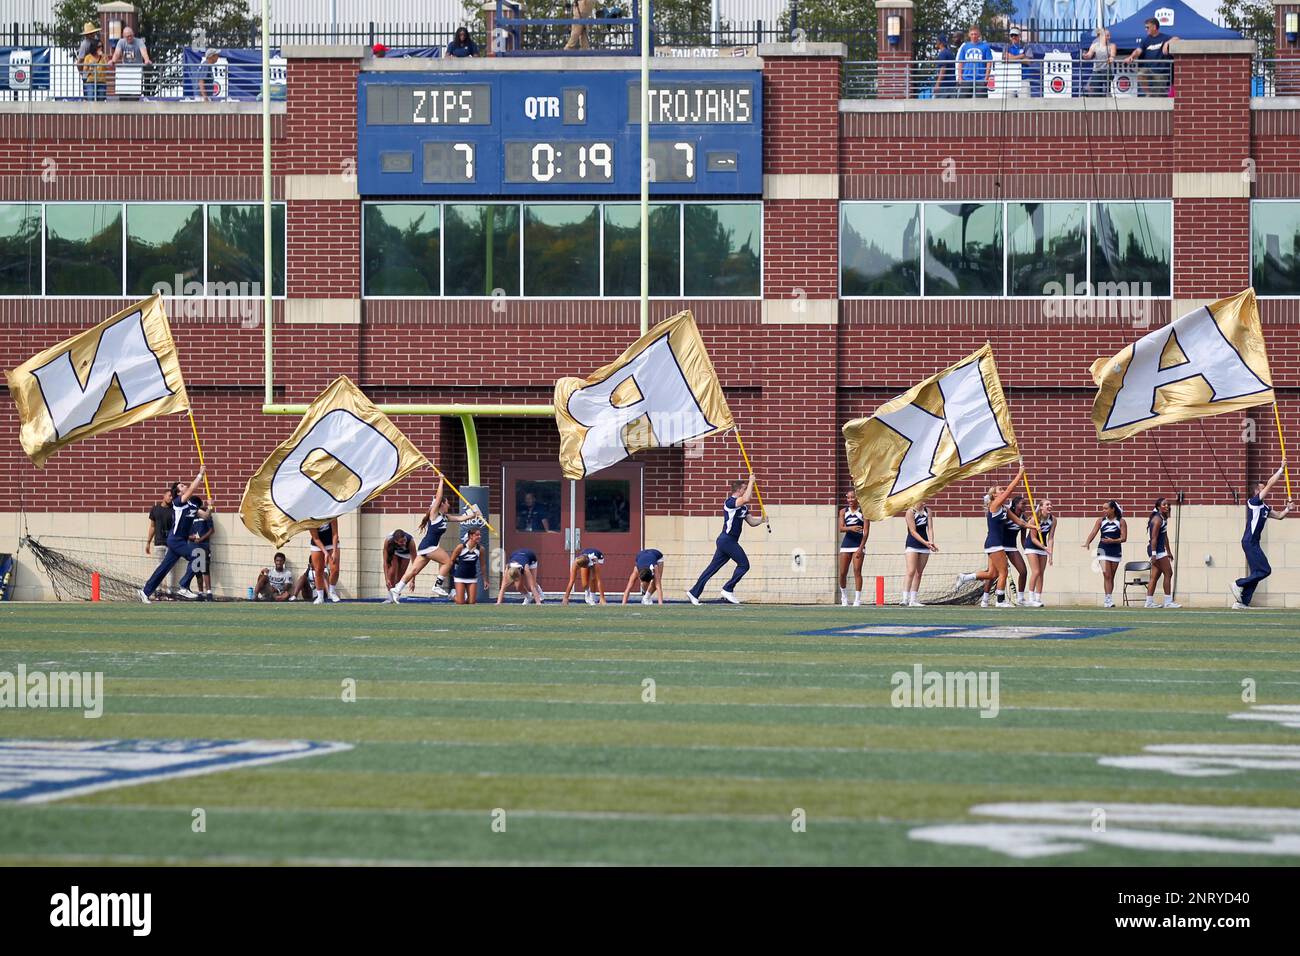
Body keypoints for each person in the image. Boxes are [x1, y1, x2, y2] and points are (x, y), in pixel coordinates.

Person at [389, 478, 480, 602]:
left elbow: (459, 519)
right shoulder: (434, 514)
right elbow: (438, 496)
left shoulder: (444, 517)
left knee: (414, 570)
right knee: (448, 562)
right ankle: (437, 585)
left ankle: (396, 590)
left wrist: (474, 515)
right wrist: (441, 481)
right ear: (441, 504)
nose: (449, 505)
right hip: (429, 546)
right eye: (447, 503)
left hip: (427, 547)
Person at [687, 474, 768, 605]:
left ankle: (694, 592)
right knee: (744, 565)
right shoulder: (730, 502)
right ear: (739, 490)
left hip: (729, 541)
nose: (748, 490)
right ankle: (727, 589)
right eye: (745, 488)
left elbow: (751, 522)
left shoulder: (743, 507)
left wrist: (762, 520)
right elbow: (746, 498)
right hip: (727, 540)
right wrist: (751, 481)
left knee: (712, 568)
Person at [956, 463, 1025, 609]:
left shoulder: (1004, 508)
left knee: (992, 573)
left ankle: (965, 577)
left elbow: (1019, 521)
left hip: (994, 543)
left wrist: (1033, 526)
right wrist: (1019, 474)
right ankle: (1000, 601)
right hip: (994, 543)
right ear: (994, 495)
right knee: (1003, 572)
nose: (1003, 490)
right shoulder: (994, 505)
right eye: (1000, 490)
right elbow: (1010, 490)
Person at [1233, 462, 1293, 609]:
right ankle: (1238, 583)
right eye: (1261, 488)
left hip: (1253, 543)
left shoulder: (1264, 507)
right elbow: (1270, 484)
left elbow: (1279, 516)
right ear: (1256, 491)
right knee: (1265, 570)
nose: (1264, 488)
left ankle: (1242, 602)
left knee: (1257, 573)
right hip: (1249, 541)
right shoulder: (1253, 502)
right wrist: (1281, 469)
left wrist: (1288, 508)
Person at [139, 469, 205, 602]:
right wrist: (200, 474)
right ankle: (184, 586)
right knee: (199, 555)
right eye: (181, 486)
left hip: (180, 541)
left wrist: (210, 507)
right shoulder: (178, 502)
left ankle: (145, 592)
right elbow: (191, 489)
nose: (184, 486)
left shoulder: (190, 504)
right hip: (176, 540)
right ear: (179, 493)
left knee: (164, 568)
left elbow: (205, 515)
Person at [1083, 500, 1127, 608]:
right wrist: (1087, 542)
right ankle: (1108, 600)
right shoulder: (1100, 520)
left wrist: (1113, 541)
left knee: (1111, 576)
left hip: (1115, 550)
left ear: (1113, 509)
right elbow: (1094, 532)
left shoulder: (1121, 521)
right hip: (1103, 549)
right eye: (1103, 508)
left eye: (1106, 508)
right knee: (1106, 575)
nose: (1104, 510)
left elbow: (1124, 538)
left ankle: (1109, 597)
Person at [1124, 18, 1177, 97]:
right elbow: (1138, 51)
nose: (1146, 29)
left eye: (1147, 27)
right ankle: (1148, 93)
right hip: (1149, 70)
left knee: (1158, 95)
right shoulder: (1146, 40)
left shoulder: (1165, 37)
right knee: (1140, 73)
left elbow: (1177, 38)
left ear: (1154, 27)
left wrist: (1167, 43)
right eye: (1145, 27)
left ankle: (1154, 99)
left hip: (1161, 73)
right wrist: (1131, 57)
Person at [1144, 497, 1180, 608]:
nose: (1167, 506)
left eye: (1168, 504)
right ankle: (1168, 602)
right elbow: (1153, 537)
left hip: (1159, 550)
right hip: (1156, 550)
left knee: (1154, 576)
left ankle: (1149, 602)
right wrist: (1154, 554)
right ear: (1158, 507)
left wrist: (1168, 551)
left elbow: (1165, 537)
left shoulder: (1163, 518)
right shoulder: (1157, 519)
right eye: (1164, 504)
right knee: (1168, 573)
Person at [176, 499, 214, 600]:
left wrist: (201, 538)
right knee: (196, 569)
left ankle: (209, 593)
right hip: (193, 546)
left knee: (205, 569)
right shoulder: (189, 517)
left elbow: (211, 530)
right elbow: (184, 532)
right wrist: (190, 537)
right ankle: (200, 592)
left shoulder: (205, 514)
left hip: (204, 545)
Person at [903, 500, 938, 608]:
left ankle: (913, 600)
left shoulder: (928, 511)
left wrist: (931, 542)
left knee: (919, 572)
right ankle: (904, 598)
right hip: (912, 544)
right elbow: (913, 531)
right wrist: (926, 542)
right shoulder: (910, 512)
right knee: (911, 571)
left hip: (925, 546)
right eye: (922, 500)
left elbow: (930, 528)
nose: (924, 503)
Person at [1022, 499, 1055, 608]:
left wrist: (1050, 554)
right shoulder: (1034, 519)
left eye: (1050, 504)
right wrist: (1044, 547)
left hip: (1043, 547)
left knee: (1041, 573)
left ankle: (1038, 598)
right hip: (1031, 546)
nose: (1049, 506)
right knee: (1035, 572)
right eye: (1047, 504)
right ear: (1041, 507)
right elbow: (1033, 538)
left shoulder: (1053, 520)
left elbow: (1050, 537)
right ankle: (1031, 599)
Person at [838, 491, 868, 607]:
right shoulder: (843, 512)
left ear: (857, 499)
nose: (850, 500)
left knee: (857, 571)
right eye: (848, 498)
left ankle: (857, 600)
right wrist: (851, 528)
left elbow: (866, 532)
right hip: (846, 544)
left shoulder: (863, 512)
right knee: (842, 572)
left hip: (858, 544)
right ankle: (844, 597)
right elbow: (841, 528)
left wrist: (861, 547)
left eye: (852, 498)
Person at [308, 518, 341, 604]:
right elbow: (315, 538)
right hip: (317, 544)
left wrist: (334, 551)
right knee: (319, 570)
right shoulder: (310, 518)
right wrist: (325, 552)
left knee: (335, 570)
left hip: (332, 543)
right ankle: (320, 596)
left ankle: (332, 592)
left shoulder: (332, 514)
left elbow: (335, 534)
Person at [449, 527, 484, 605]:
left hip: (472, 577)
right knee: (461, 602)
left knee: (472, 602)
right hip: (460, 577)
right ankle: (453, 595)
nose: (479, 537)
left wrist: (485, 580)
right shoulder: (460, 547)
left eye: (480, 535)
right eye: (477, 535)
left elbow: (483, 565)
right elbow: (451, 561)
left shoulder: (481, 549)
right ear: (471, 536)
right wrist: (451, 574)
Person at [955, 26, 992, 98]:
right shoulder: (965, 47)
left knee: (981, 103)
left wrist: (986, 77)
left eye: (975, 34)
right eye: (972, 34)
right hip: (966, 78)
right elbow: (960, 63)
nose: (974, 36)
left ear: (979, 35)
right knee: (963, 102)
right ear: (969, 35)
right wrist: (960, 77)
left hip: (980, 79)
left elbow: (989, 62)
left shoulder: (985, 46)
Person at [1082, 28, 1116, 97]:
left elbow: (1113, 54)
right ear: (1102, 36)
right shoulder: (1094, 45)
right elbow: (1089, 55)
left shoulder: (1112, 45)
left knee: (1107, 91)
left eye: (1109, 35)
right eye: (1107, 36)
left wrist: (1111, 58)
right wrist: (1085, 56)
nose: (1109, 37)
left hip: (1107, 70)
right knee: (1096, 91)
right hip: (1096, 70)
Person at [381, 529, 414, 593]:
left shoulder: (410, 541)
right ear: (395, 541)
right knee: (392, 571)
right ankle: (390, 595)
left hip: (406, 554)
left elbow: (415, 563)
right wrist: (386, 579)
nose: (404, 543)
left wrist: (412, 580)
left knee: (399, 577)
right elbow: (385, 562)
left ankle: (396, 593)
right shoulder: (388, 540)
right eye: (401, 542)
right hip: (394, 552)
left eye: (404, 540)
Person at [1002, 29, 1031, 98]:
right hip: (1010, 78)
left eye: (1015, 35)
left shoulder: (1026, 46)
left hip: (1023, 78)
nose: (1013, 37)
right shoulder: (1006, 47)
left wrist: (1012, 58)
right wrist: (1021, 56)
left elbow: (1028, 61)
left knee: (1025, 103)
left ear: (1019, 36)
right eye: (1012, 35)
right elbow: (1004, 60)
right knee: (1009, 103)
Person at [78, 37, 109, 102]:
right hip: (91, 81)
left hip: (101, 81)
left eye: (101, 46)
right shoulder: (88, 57)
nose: (100, 48)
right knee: (91, 99)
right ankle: (91, 112)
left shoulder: (103, 57)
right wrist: (90, 68)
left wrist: (103, 56)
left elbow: (108, 67)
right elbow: (85, 70)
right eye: (98, 46)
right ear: (94, 47)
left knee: (101, 100)